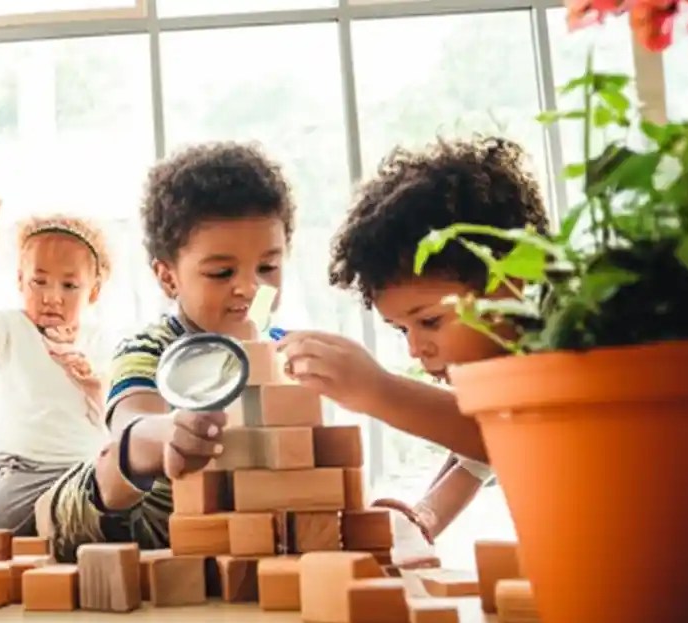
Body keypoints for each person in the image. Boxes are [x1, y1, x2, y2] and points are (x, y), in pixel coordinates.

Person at [276, 136, 550, 542]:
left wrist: (377, 390)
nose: (415, 348)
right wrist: (423, 518)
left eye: (430, 322)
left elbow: (508, 436)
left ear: (513, 280)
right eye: (402, 329)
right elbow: (475, 455)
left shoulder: (570, 342)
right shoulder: (500, 376)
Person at [38, 142, 295, 561]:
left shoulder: (287, 352)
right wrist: (163, 434)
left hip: (263, 545)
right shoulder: (151, 349)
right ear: (168, 277)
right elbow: (132, 419)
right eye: (221, 273)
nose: (249, 288)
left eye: (268, 267)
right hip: (165, 539)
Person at [0, 214, 115, 537]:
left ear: (93, 292)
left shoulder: (98, 341)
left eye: (70, 285)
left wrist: (92, 385)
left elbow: (114, 415)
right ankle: (54, 520)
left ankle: (61, 524)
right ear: (20, 281)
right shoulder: (10, 327)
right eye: (39, 281)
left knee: (122, 515)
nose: (52, 296)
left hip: (85, 468)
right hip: (24, 468)